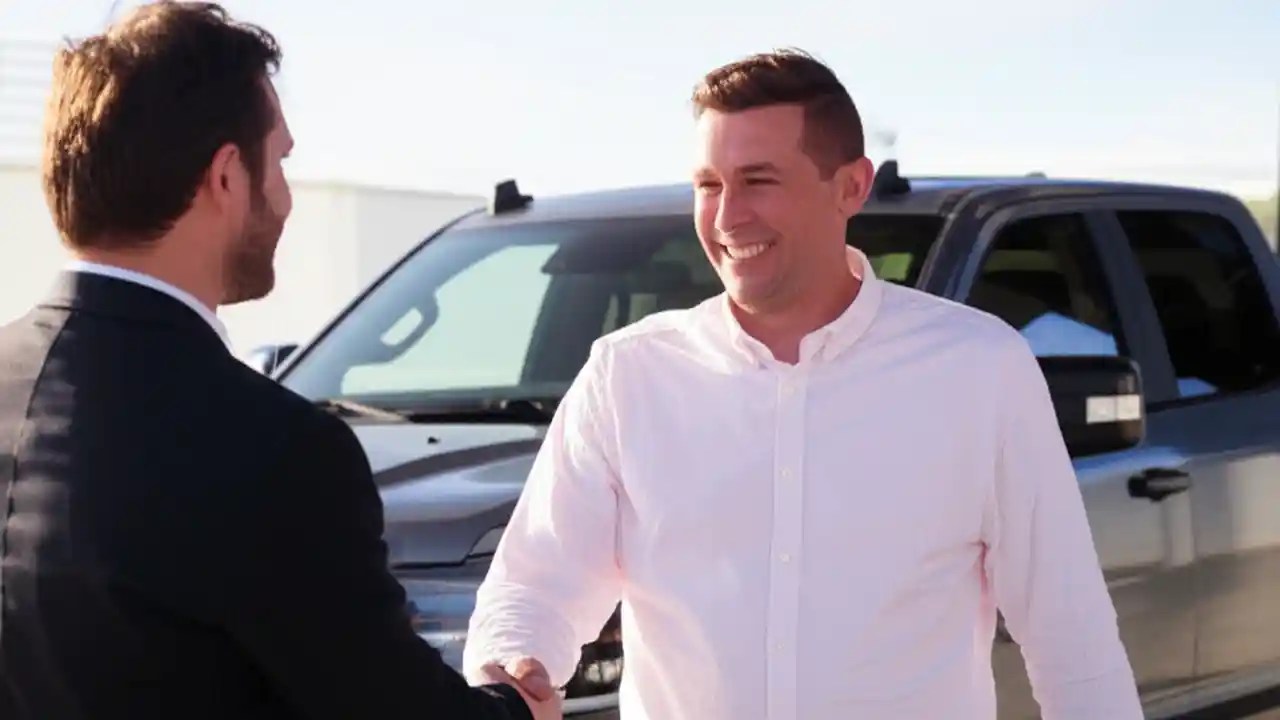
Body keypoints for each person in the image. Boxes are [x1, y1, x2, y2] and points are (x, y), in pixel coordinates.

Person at [462, 49, 1143, 718]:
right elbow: (533, 587)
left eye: (758, 180)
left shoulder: (978, 367)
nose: (727, 217)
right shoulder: (628, 375)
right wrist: (517, 663)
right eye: (708, 184)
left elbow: (1068, 631)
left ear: (850, 186)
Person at [0, 3, 558, 719]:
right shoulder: (274, 451)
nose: (286, 195)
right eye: (281, 160)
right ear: (228, 177)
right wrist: (520, 712)